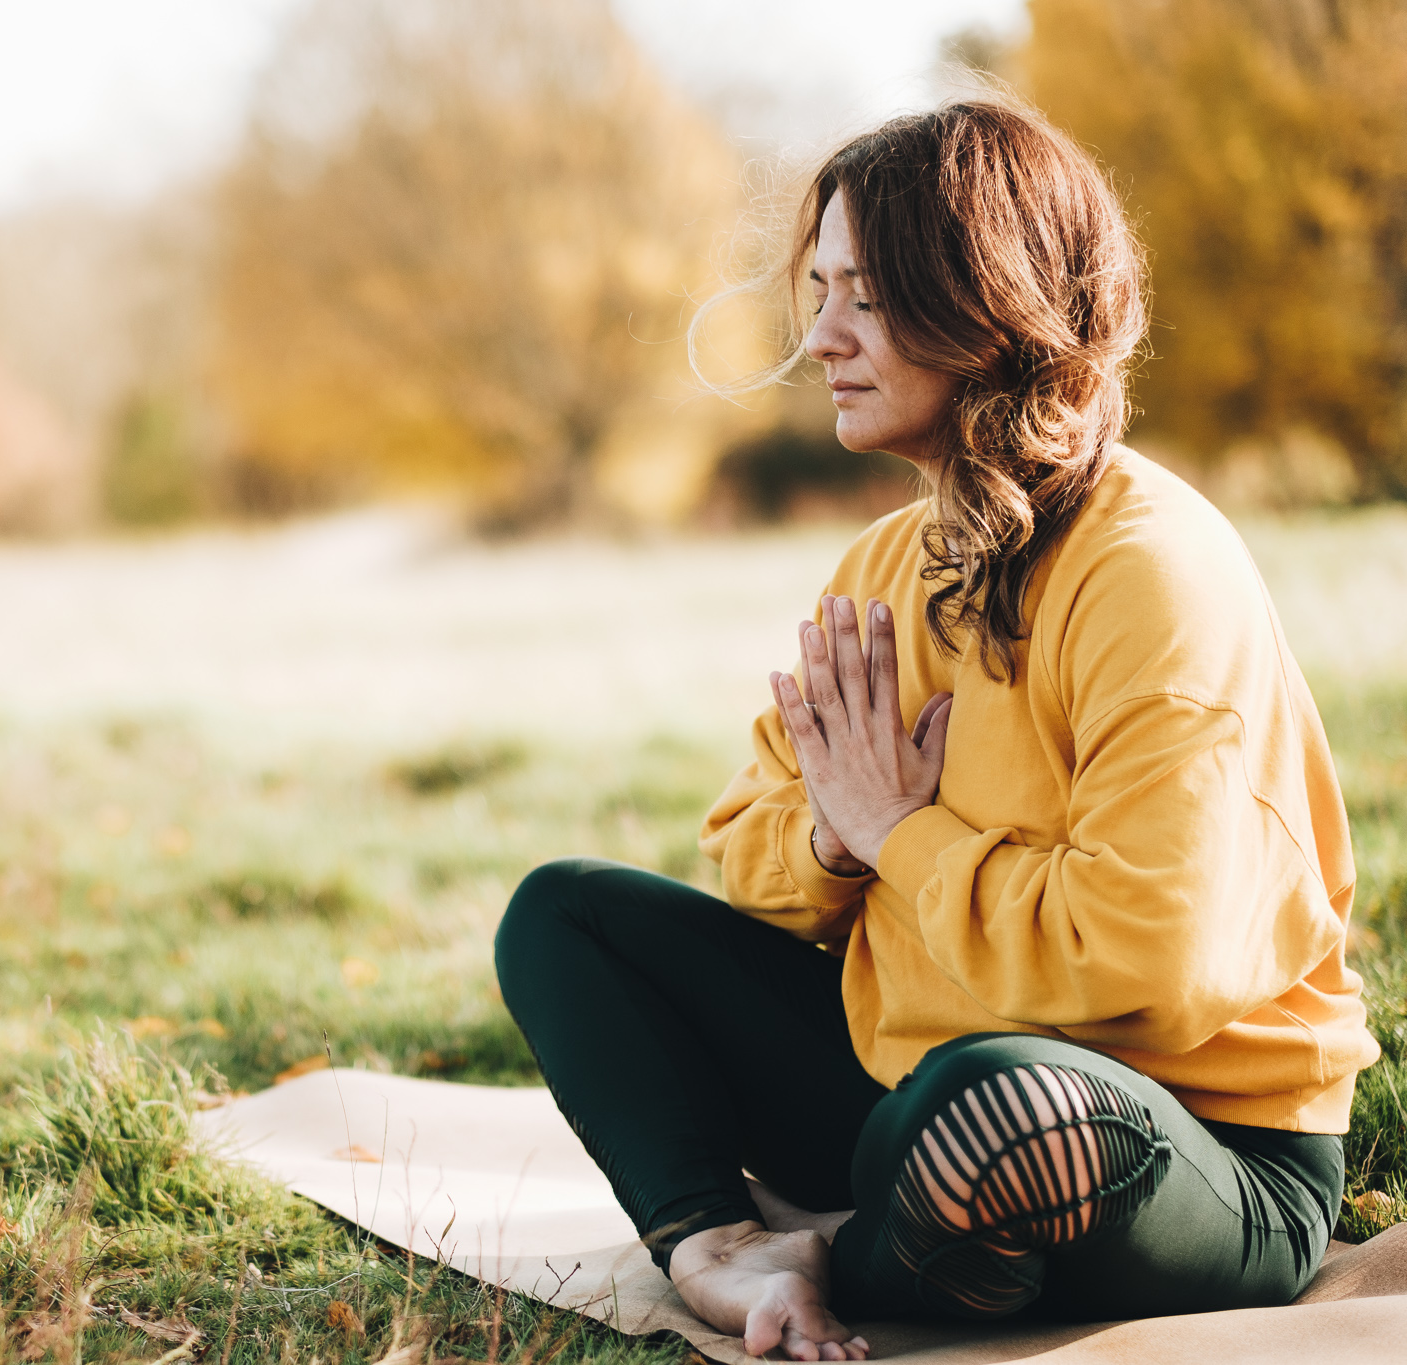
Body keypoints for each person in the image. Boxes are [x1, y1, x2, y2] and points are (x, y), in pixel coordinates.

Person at [494, 99, 1379, 1362]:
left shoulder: (1152, 572)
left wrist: (902, 836)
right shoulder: (879, 567)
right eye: (817, 292)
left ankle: (839, 1253)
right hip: (898, 1093)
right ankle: (716, 1251)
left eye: (862, 295)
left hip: (1183, 1142)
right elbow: (746, 848)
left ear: (986, 303)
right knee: (565, 915)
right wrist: (839, 846)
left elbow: (1150, 961)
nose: (818, 339)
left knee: (989, 1110)